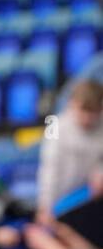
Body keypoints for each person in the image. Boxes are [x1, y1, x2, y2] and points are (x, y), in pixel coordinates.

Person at [36, 79, 103, 223]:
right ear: (71, 103)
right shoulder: (54, 126)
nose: (87, 118)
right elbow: (49, 169)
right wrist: (45, 206)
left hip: (91, 195)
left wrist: (100, 172)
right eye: (83, 111)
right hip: (61, 200)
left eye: (93, 113)